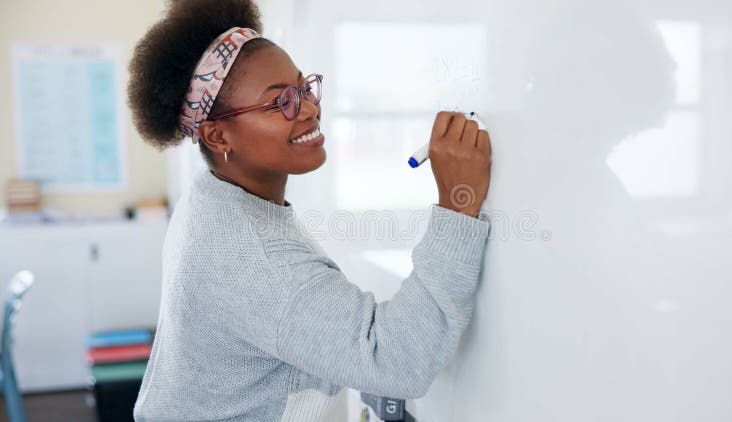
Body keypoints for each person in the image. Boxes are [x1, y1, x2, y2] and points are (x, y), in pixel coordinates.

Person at [127, 0, 492, 420]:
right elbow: (395, 360)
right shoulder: (251, 257)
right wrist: (458, 200)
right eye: (280, 102)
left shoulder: (212, 197)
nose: (309, 108)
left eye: (303, 88)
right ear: (217, 134)